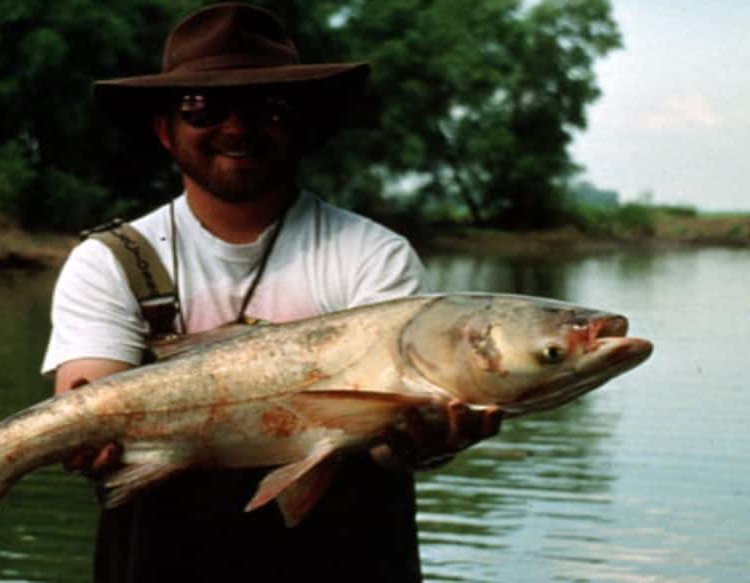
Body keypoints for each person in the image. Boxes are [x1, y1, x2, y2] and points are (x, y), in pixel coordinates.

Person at [42, 4, 502, 582]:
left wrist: (429, 443)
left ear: (302, 125)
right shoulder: (110, 261)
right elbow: (87, 401)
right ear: (166, 130)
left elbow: (389, 450)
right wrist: (86, 448)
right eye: (203, 107)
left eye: (268, 107)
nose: (237, 127)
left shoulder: (372, 255)